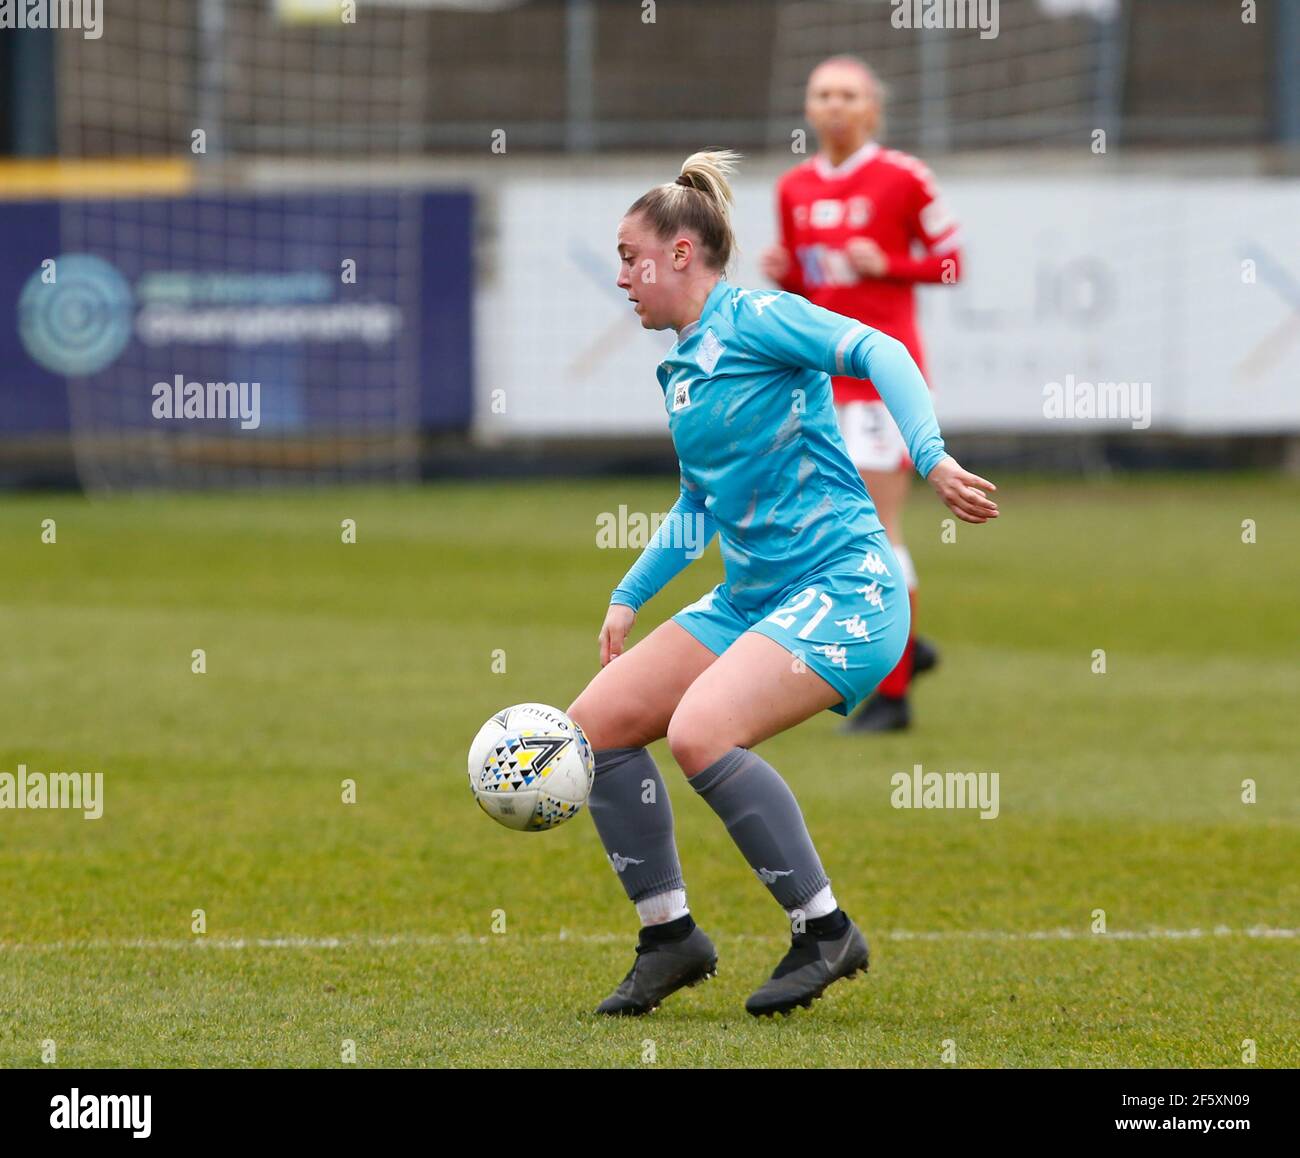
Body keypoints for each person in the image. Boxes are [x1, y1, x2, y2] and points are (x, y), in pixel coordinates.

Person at [566, 150, 997, 1018]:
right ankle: (670, 937)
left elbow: (877, 348)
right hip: (753, 597)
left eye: (628, 256)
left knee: (699, 734)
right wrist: (628, 592)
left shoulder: (756, 318)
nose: (620, 278)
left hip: (846, 588)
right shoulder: (681, 368)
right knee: (594, 732)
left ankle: (824, 929)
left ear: (681, 253)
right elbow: (702, 502)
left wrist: (931, 455)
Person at [762, 55, 964, 732]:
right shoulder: (793, 187)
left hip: (882, 384)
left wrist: (897, 264)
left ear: (873, 109)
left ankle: (896, 693)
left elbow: (952, 261)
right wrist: (784, 274)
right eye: (823, 94)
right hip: (821, 385)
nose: (836, 106)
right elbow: (807, 292)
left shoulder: (904, 177)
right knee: (830, 532)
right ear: (808, 108)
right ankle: (907, 646)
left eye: (849, 95)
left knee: (877, 528)